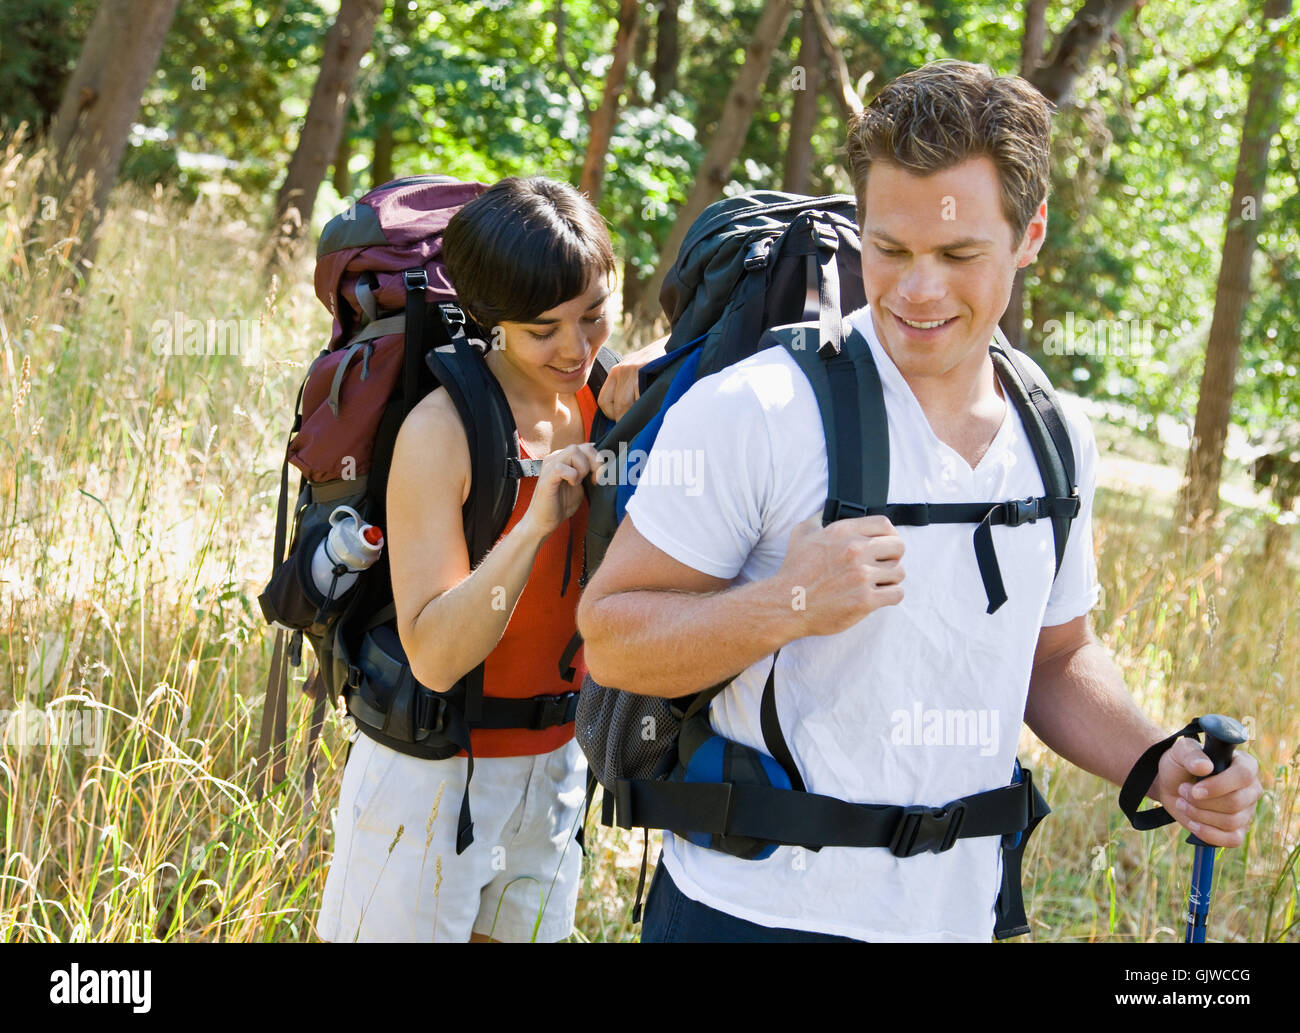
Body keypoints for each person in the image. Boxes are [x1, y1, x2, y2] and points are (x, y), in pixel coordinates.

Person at [576, 60, 1263, 942]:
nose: (917, 289)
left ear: (1030, 234)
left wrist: (1155, 758)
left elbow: (1054, 659)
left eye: (957, 255)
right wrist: (788, 602)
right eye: (888, 249)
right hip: (752, 915)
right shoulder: (759, 410)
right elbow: (613, 636)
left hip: (961, 916)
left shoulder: (1056, 436)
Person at [316, 175, 652, 942]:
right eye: (543, 330)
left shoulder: (614, 396)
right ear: (487, 320)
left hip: (556, 765)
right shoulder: (442, 431)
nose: (576, 347)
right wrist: (532, 527)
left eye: (594, 315)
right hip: (432, 775)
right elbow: (434, 653)